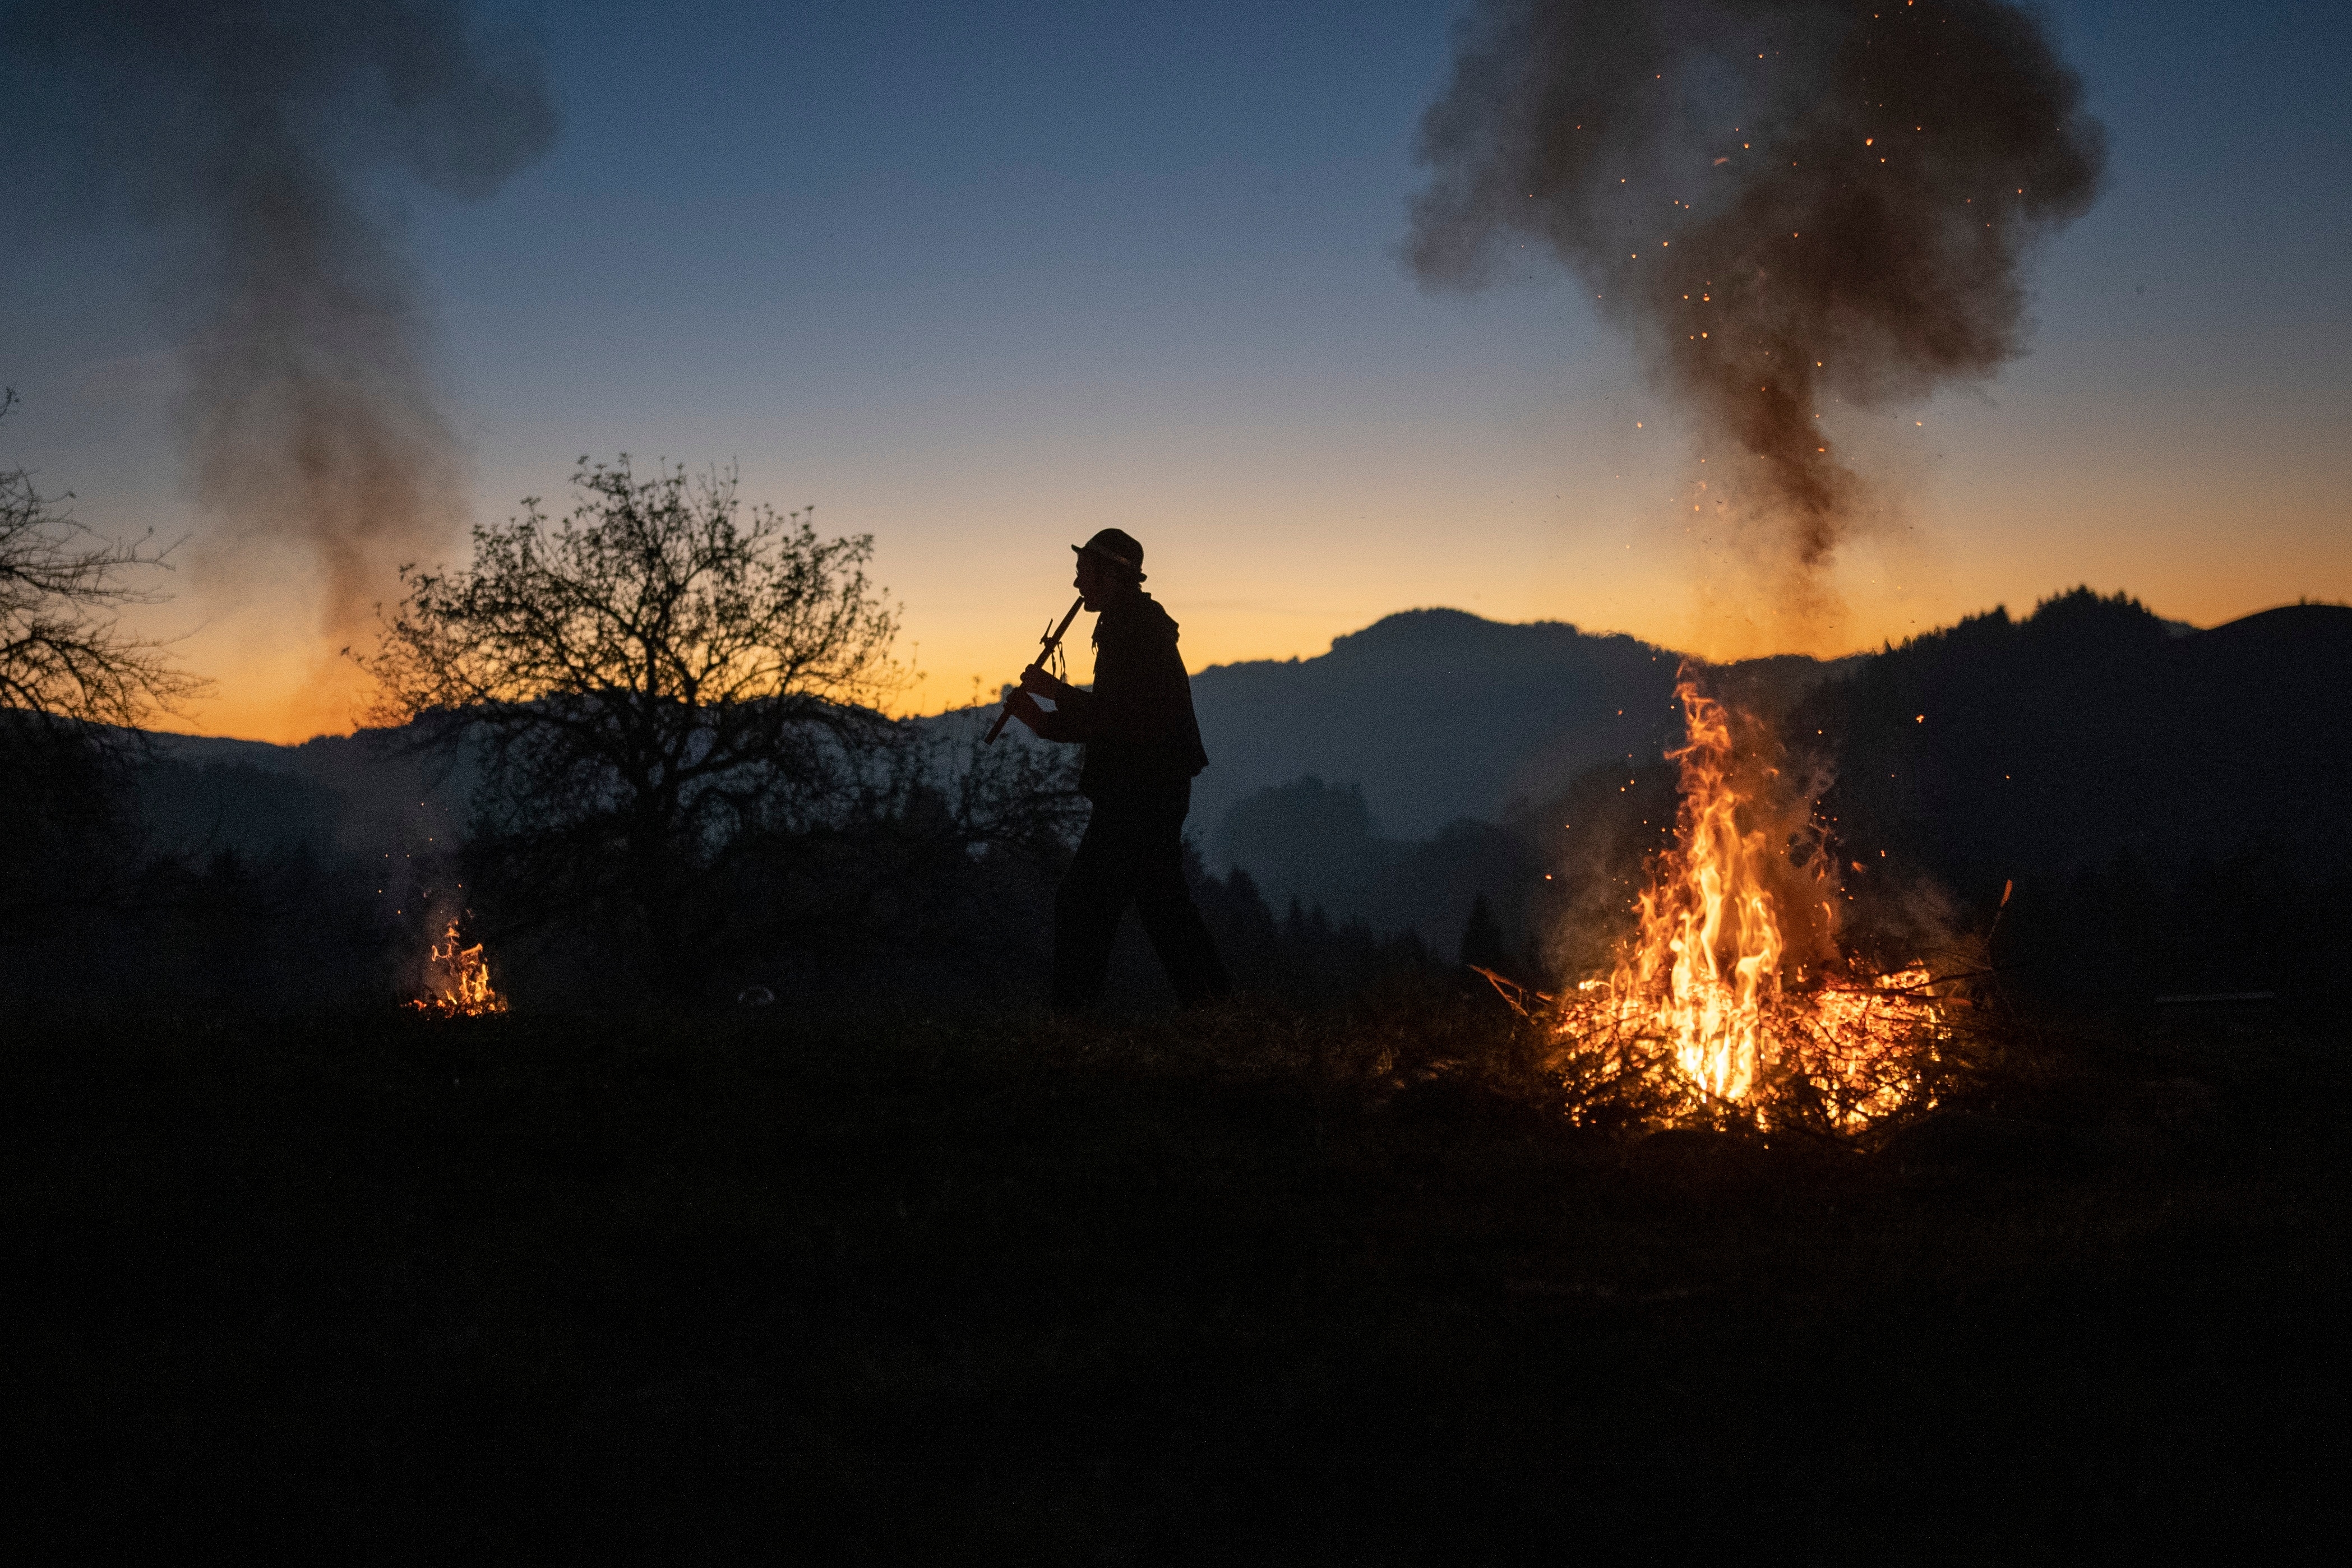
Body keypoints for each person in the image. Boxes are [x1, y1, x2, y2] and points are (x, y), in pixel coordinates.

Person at [1002, 528, 1232, 1013]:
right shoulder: (1132, 624)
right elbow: (1118, 717)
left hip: (1138, 792)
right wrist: (1046, 713)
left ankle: (1074, 1023)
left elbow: (1118, 718)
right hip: (1154, 786)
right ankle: (1219, 1013)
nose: (1076, 583)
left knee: (1084, 903)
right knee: (1162, 906)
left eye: (1083, 572)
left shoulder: (1132, 630)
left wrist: (1050, 705)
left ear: (1109, 576)